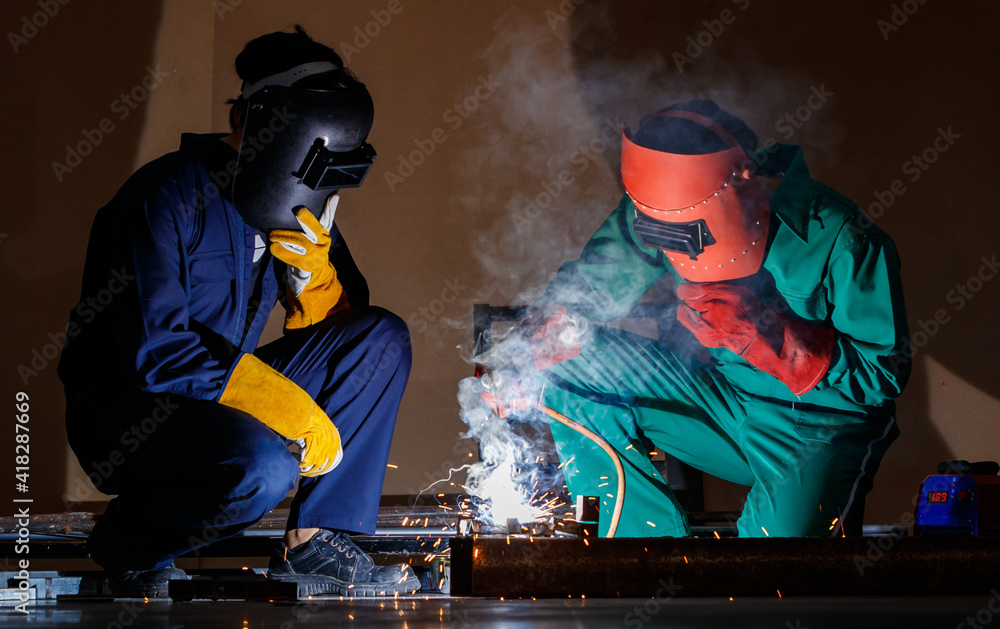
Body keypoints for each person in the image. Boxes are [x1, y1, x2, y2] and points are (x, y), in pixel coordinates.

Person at [58, 26, 419, 597]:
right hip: (131, 410)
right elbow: (155, 351)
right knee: (265, 467)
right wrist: (280, 404)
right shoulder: (164, 194)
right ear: (264, 119)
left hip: (218, 403)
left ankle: (314, 544)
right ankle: (126, 545)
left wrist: (316, 281)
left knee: (380, 337)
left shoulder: (288, 200)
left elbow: (348, 351)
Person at [506, 100, 910, 538]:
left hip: (822, 425)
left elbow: (882, 376)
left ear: (742, 180)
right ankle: (641, 553)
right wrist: (521, 354)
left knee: (774, 572)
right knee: (560, 357)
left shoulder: (843, 238)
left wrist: (769, 335)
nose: (679, 250)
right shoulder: (659, 206)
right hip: (722, 404)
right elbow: (587, 289)